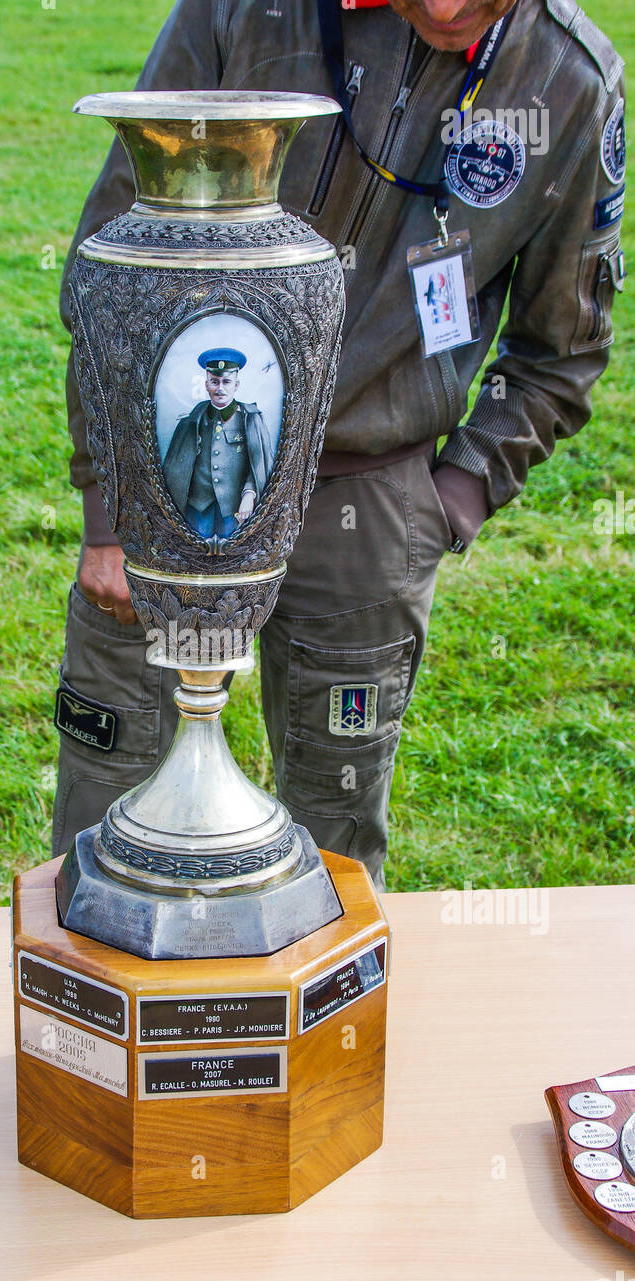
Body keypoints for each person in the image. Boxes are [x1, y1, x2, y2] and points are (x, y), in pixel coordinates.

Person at [51, 0, 625, 889]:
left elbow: (563, 349)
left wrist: (449, 500)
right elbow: (109, 259)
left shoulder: (568, 82)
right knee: (105, 820)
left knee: (332, 852)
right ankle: (103, 1021)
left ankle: (320, 1034)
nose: (442, 7)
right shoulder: (242, 9)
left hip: (367, 510)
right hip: (162, 498)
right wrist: (108, 504)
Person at [162, 349, 275, 539]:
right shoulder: (191, 421)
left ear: (236, 385)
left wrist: (249, 494)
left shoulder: (250, 420)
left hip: (234, 509)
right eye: (214, 382)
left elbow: (259, 465)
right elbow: (176, 468)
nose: (220, 388)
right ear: (207, 385)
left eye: (226, 381)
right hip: (198, 508)